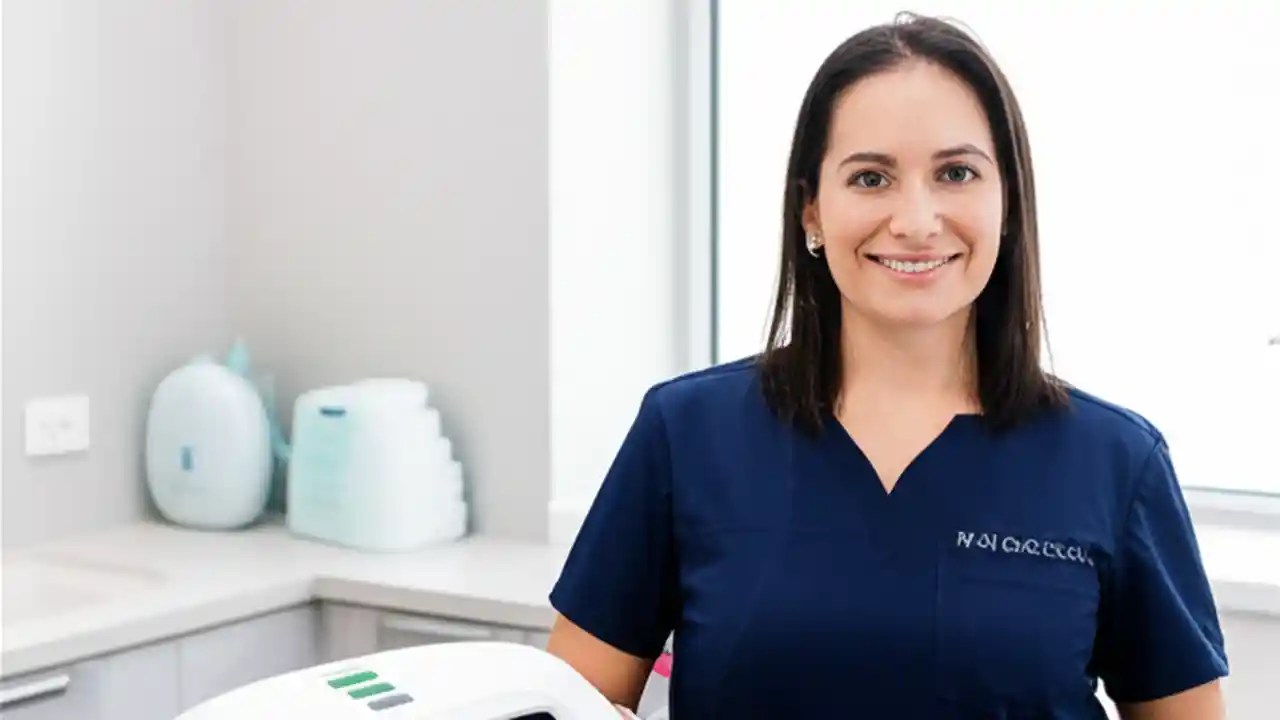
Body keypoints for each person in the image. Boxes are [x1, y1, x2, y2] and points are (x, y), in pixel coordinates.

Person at [546, 12, 1229, 719]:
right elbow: (561, 706)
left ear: (1010, 204)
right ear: (811, 211)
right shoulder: (685, 434)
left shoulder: (1116, 462)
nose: (915, 219)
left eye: (956, 173)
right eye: (871, 178)